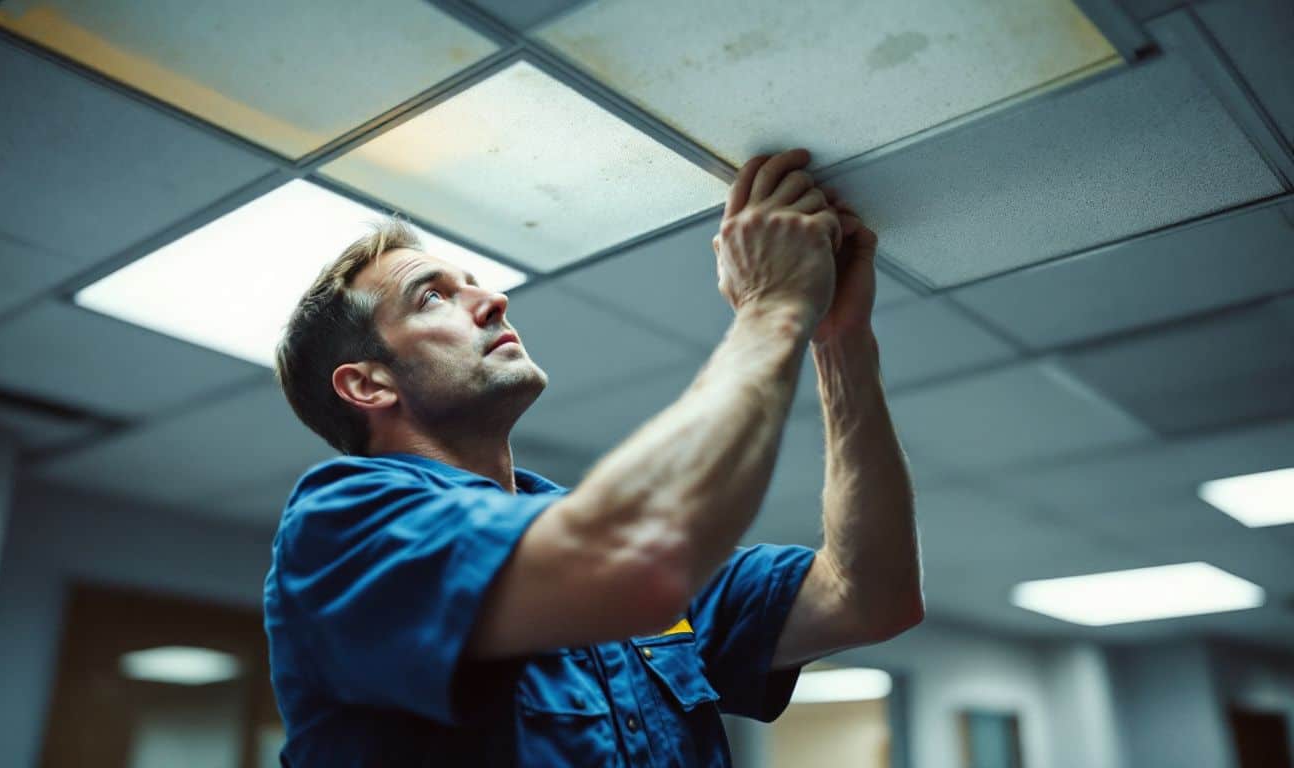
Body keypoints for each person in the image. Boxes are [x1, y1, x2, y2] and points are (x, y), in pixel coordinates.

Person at [264, 148, 923, 766]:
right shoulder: (343, 529)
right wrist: (774, 307)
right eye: (432, 296)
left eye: (473, 285)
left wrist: (838, 341)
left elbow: (868, 597)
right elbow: (640, 561)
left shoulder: (575, 524)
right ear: (366, 384)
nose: (492, 300)